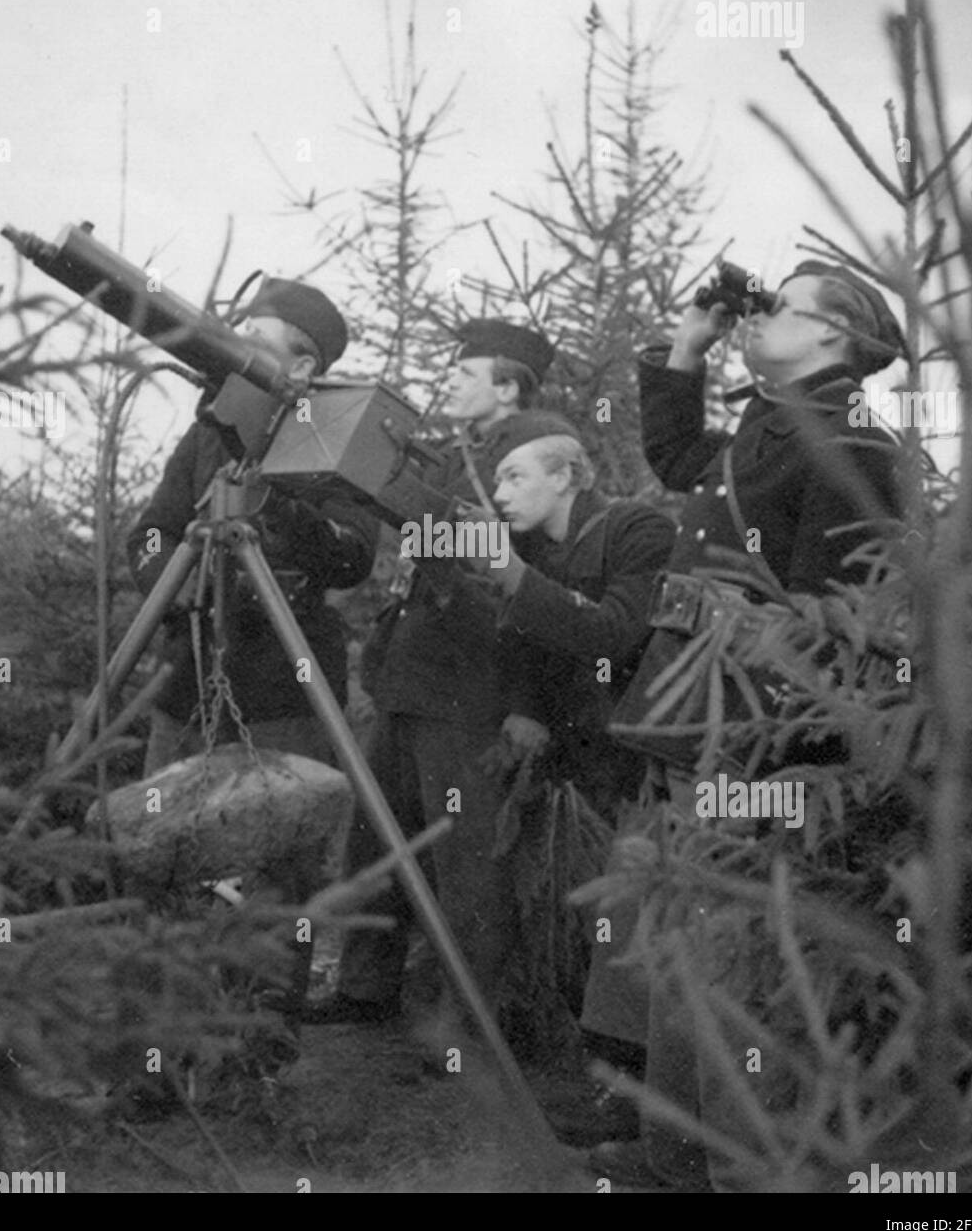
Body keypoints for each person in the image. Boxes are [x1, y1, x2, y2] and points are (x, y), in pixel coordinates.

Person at [592, 260, 907, 1189]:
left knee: (732, 953)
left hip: (763, 736)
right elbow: (684, 461)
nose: (756, 319)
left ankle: (735, 1169)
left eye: (778, 307)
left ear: (834, 337)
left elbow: (837, 621)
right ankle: (673, 1154)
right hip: (703, 716)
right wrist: (688, 347)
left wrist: (765, 750)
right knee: (683, 927)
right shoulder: (779, 424)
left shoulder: (854, 440)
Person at [302, 319, 557, 1030]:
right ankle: (363, 985)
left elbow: (529, 576)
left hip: (474, 682)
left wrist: (528, 700)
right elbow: (422, 538)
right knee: (378, 836)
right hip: (411, 674)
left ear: (507, 387)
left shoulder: (536, 454)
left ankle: (466, 1016)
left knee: (465, 859)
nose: (448, 382)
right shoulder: (455, 455)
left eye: (465, 373)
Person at [457, 418, 676, 1084]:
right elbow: (521, 644)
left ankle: (625, 1077)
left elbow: (613, 631)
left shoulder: (638, 529)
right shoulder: (531, 547)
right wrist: (525, 705)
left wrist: (513, 576)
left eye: (516, 475)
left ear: (566, 475)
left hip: (633, 757)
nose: (500, 491)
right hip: (571, 758)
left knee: (628, 916)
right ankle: (572, 1052)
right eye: (495, 478)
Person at [127, 276, 379, 776]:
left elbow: (352, 556)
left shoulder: (337, 439)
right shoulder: (209, 431)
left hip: (282, 695)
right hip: (185, 690)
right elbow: (152, 532)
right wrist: (176, 587)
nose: (235, 351)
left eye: (256, 342)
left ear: (302, 366)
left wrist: (279, 509)